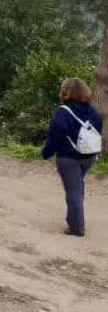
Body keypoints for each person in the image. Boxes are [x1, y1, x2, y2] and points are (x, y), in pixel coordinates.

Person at [42, 77, 103, 237]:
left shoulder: (63, 112)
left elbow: (54, 136)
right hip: (89, 156)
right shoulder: (93, 111)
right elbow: (98, 130)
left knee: (73, 190)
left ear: (65, 92)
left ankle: (77, 227)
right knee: (77, 185)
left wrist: (46, 153)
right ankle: (77, 215)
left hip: (69, 158)